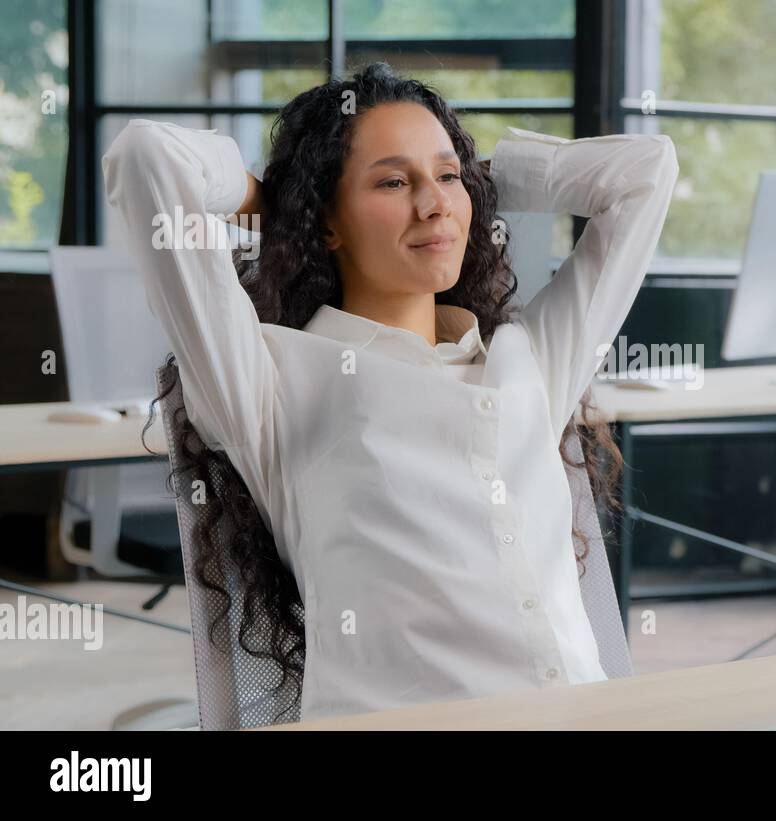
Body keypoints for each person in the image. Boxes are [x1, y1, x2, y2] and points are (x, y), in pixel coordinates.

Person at [101, 62, 678, 723]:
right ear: (328, 222)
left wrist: (474, 182)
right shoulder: (267, 378)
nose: (433, 202)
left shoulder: (531, 356)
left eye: (447, 177)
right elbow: (147, 159)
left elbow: (646, 172)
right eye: (394, 181)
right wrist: (282, 202)